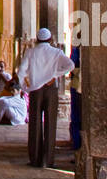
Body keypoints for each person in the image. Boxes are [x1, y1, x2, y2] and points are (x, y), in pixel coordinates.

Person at [17, 27, 74, 168]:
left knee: (35, 123)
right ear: (50, 40)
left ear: (37, 40)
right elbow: (70, 65)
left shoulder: (30, 52)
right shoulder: (56, 52)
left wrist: (25, 87)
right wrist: (55, 75)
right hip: (51, 90)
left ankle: (35, 159)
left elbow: (21, 72)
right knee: (50, 124)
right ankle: (48, 160)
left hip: (35, 90)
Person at [69, 42, 82, 151]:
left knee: (77, 119)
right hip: (78, 86)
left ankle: (78, 148)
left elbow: (71, 65)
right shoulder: (77, 48)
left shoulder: (77, 48)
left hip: (78, 85)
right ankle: (78, 147)